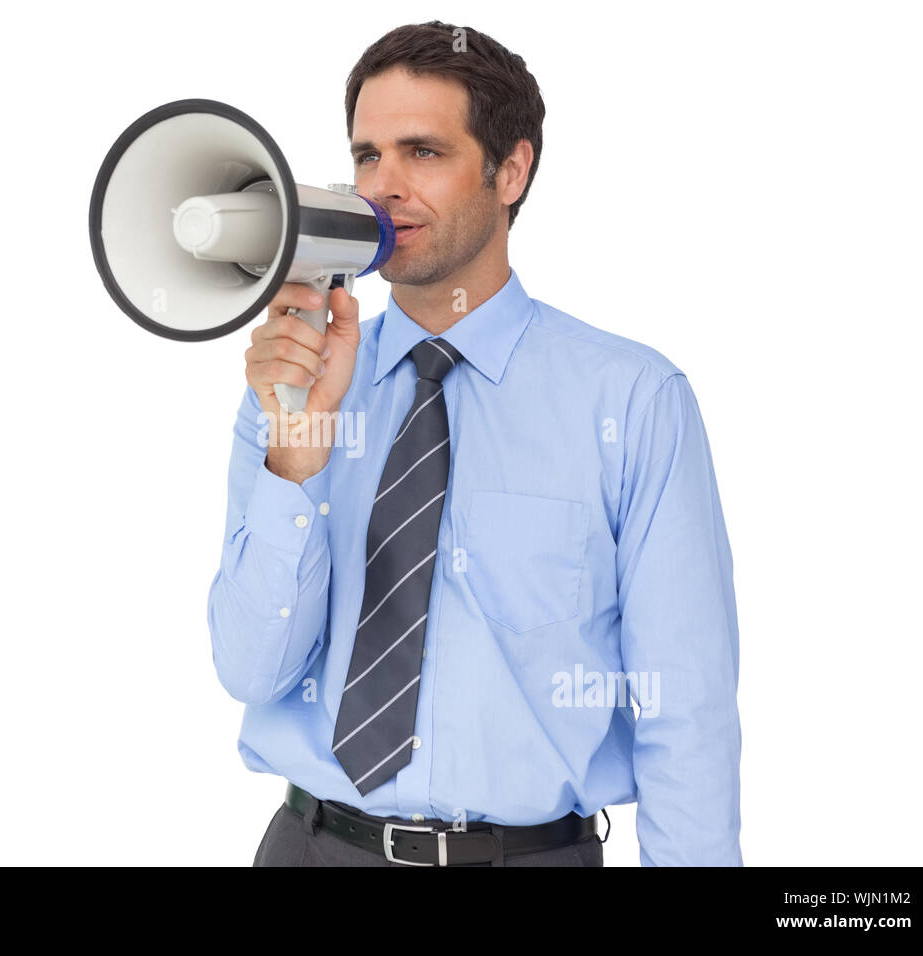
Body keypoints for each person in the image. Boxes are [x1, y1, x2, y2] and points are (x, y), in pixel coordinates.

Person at [206, 20, 742, 867]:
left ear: (511, 170)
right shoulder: (292, 390)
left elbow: (687, 710)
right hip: (310, 847)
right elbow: (249, 669)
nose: (383, 188)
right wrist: (298, 456)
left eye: (423, 152)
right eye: (367, 155)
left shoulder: (633, 400)